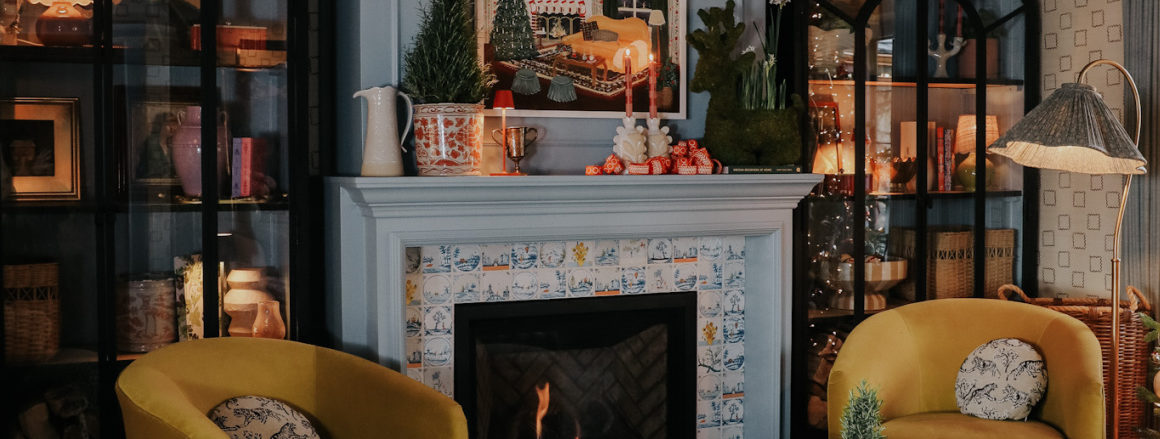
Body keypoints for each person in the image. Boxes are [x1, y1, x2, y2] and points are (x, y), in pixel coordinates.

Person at [136, 111, 180, 179]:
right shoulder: (151, 142)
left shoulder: (173, 145)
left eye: (174, 125)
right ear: (161, 125)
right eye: (169, 124)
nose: (173, 128)